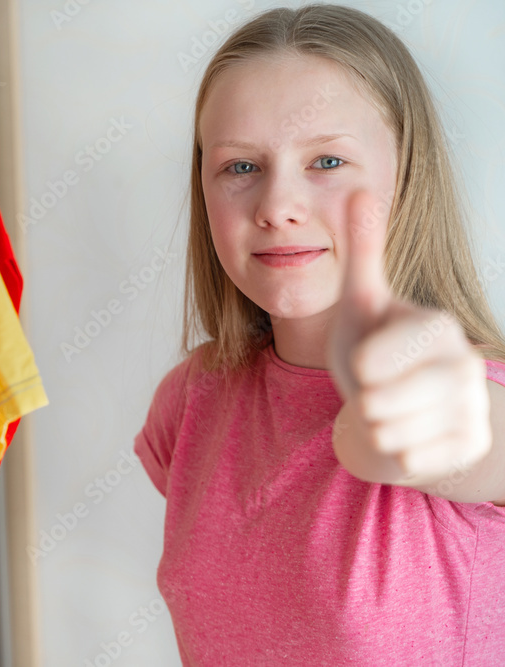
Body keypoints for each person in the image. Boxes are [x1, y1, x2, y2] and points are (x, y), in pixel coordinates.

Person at [133, 4, 505, 664]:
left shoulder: (475, 399)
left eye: (327, 160)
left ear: (407, 176)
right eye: (240, 167)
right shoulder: (189, 402)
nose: (278, 206)